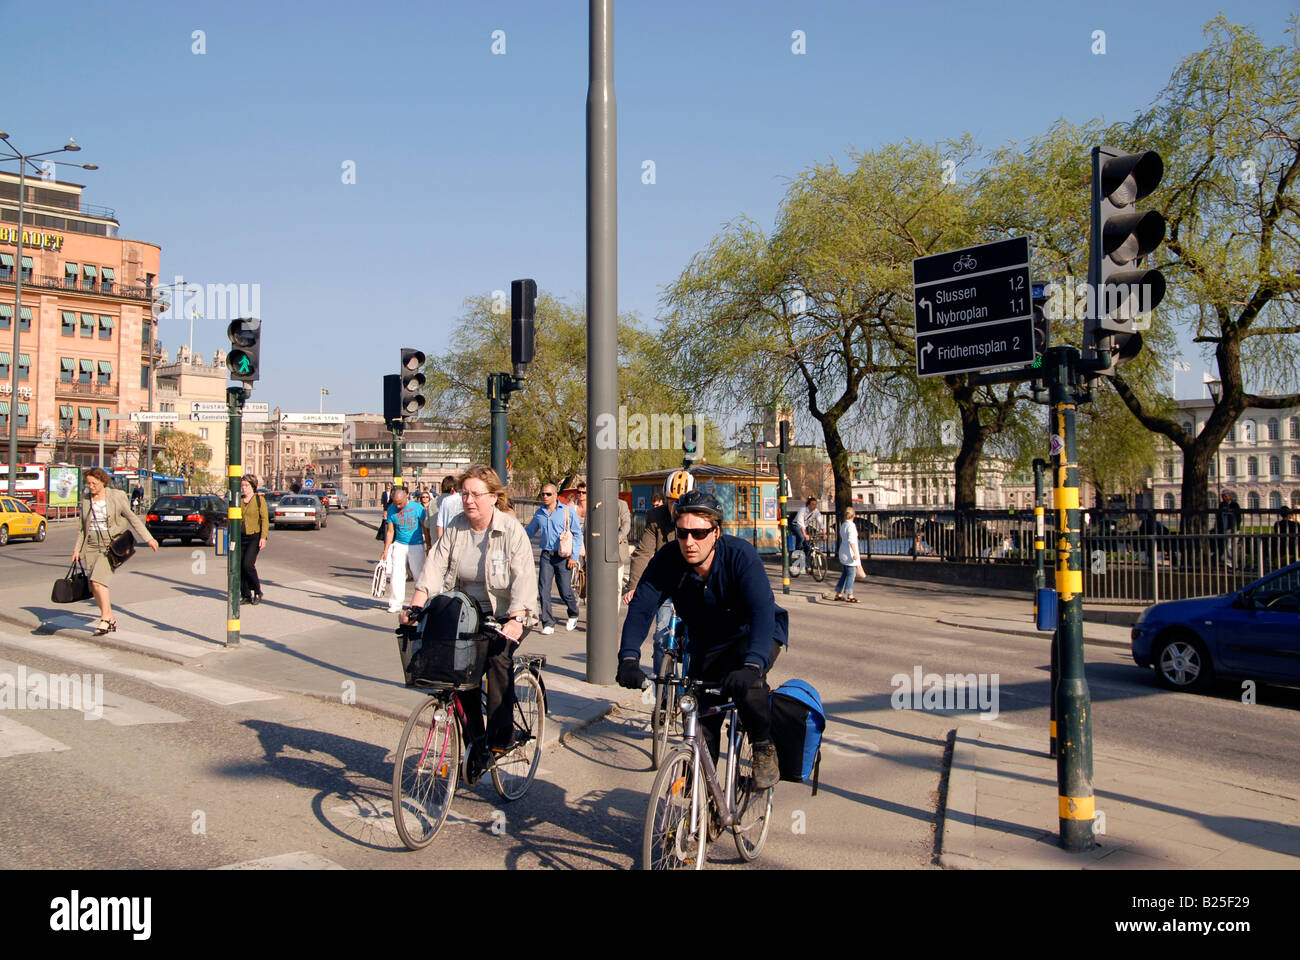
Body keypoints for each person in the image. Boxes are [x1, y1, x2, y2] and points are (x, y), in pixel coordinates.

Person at [618, 489, 785, 789]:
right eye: (682, 534)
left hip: (752, 635)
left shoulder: (740, 556)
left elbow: (762, 613)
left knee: (749, 686)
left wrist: (752, 665)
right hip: (707, 643)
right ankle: (703, 805)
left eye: (698, 533)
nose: (689, 542)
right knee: (698, 721)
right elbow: (642, 606)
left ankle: (763, 746)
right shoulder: (669, 559)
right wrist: (629, 657)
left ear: (716, 532)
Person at [404, 465, 538, 783]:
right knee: (458, 672)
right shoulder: (456, 527)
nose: (468, 500)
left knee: (496, 657)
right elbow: (435, 566)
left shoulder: (510, 529)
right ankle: (475, 747)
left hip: (507, 612)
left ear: (493, 497)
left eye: (476, 494)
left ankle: (501, 737)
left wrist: (517, 619)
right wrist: (416, 605)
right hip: (467, 612)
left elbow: (523, 577)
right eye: (465, 493)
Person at [71, 467, 159, 636]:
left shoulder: (116, 496)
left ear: (103, 481)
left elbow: (132, 518)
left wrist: (148, 538)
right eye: (88, 484)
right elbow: (82, 528)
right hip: (91, 545)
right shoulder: (87, 500)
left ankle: (104, 618)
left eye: (93, 483)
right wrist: (77, 550)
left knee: (98, 581)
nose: (90, 487)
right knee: (94, 585)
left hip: (110, 545)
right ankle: (110, 618)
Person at [623, 469, 693, 675]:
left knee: (696, 641)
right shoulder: (656, 517)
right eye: (671, 501)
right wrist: (633, 586)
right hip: (667, 585)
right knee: (661, 638)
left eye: (681, 501)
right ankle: (662, 694)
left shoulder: (700, 517)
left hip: (693, 585)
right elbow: (643, 553)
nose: (676, 506)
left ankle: (692, 690)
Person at [524, 483, 582, 635]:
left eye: (548, 494)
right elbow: (529, 531)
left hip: (563, 557)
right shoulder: (540, 513)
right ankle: (548, 622)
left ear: (556, 495)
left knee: (565, 590)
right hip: (546, 556)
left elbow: (577, 534)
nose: (545, 497)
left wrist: (573, 557)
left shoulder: (567, 512)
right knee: (544, 590)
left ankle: (573, 612)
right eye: (543, 494)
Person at [377, 481, 430, 614]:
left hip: (416, 544)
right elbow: (390, 531)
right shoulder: (391, 510)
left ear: (406, 497)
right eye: (395, 503)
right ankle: (395, 603)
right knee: (397, 574)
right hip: (399, 544)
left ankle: (421, 602)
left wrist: (428, 545)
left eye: (400, 503)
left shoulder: (417, 508)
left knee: (419, 574)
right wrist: (386, 550)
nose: (398, 506)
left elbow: (425, 527)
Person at [240, 475, 269, 605]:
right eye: (242, 485)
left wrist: (263, 537)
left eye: (246, 485)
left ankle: (257, 591)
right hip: (240, 536)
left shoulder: (259, 500)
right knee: (240, 566)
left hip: (254, 536)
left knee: (248, 564)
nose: (244, 488)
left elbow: (264, 519)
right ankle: (245, 594)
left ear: (253, 486)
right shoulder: (238, 500)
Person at [828, 506, 864, 602]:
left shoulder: (843, 525)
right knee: (851, 575)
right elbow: (852, 540)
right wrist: (855, 553)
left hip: (843, 552)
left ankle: (838, 593)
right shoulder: (851, 526)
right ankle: (850, 595)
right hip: (849, 554)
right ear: (853, 515)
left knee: (844, 574)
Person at [1216, 489, 1242, 567]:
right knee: (1226, 546)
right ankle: (1229, 562)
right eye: (1222, 496)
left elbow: (1238, 517)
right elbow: (1219, 516)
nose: (1223, 498)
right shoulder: (1221, 505)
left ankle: (1232, 563)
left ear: (1230, 497)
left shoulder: (1235, 505)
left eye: (1225, 496)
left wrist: (1235, 527)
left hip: (1233, 528)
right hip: (1224, 528)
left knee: (1230, 546)